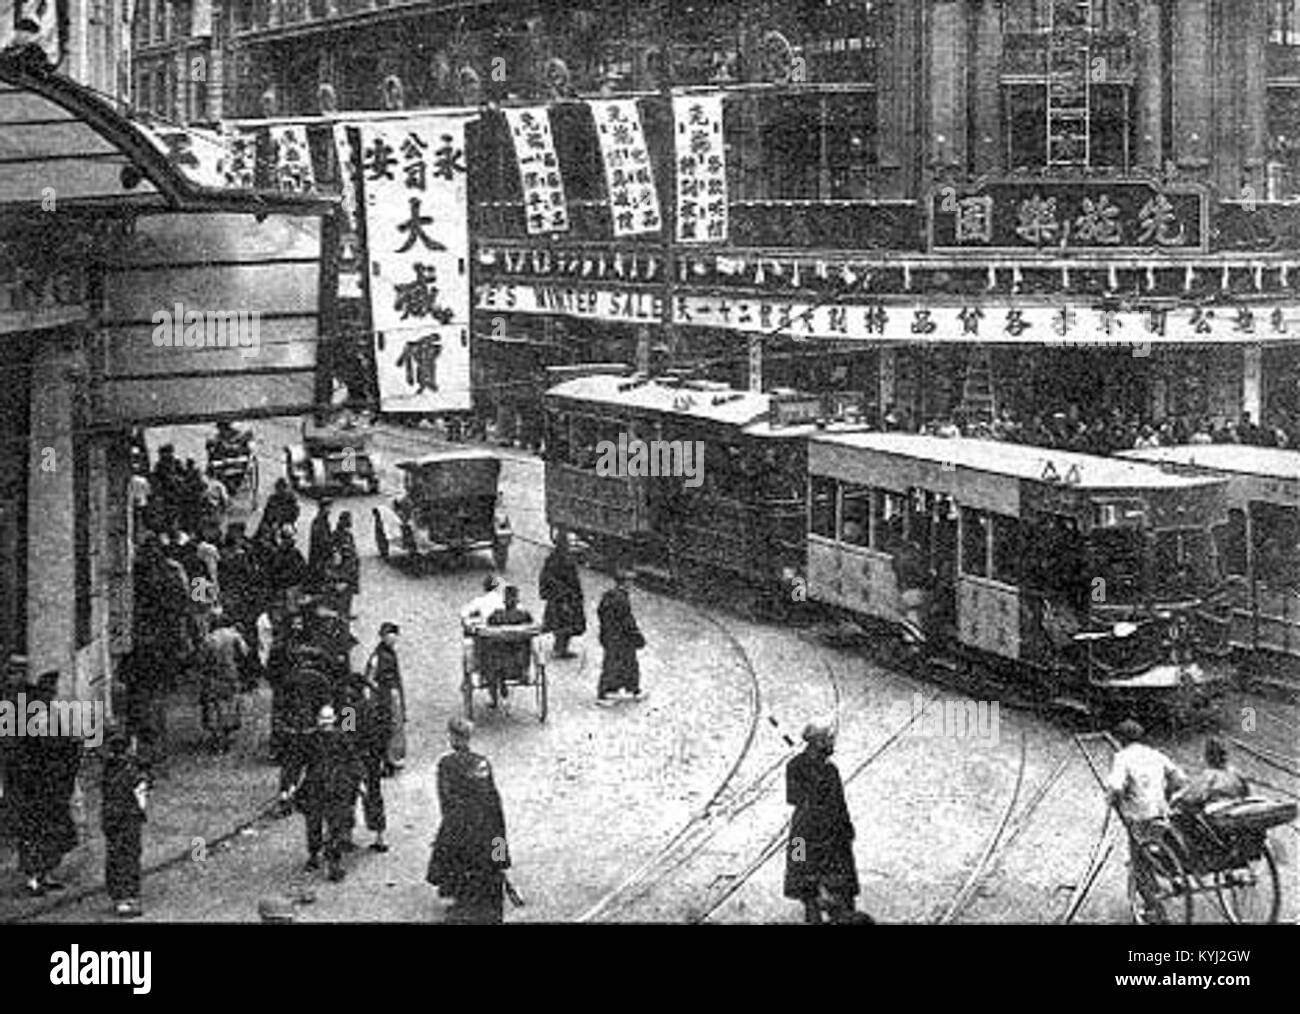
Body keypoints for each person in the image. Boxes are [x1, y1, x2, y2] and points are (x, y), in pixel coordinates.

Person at [427, 717, 512, 924]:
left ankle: (456, 896)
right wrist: (500, 856)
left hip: (460, 825)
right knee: (491, 850)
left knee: (449, 850)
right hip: (487, 825)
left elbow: (445, 800)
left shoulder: (447, 763)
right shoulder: (482, 762)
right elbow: (493, 799)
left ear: (453, 737)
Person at [1105, 719, 1189, 921]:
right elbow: (1180, 780)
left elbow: (1115, 788)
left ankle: (1154, 909)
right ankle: (1173, 877)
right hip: (1161, 815)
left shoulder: (1122, 757)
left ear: (1121, 740)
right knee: (1159, 848)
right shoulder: (1156, 754)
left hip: (1139, 818)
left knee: (1139, 862)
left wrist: (1112, 800)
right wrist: (1166, 796)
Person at [784, 722, 861, 924]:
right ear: (817, 742)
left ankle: (820, 916)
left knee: (803, 873)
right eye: (828, 740)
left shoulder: (798, 765)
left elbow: (793, 798)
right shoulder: (825, 769)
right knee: (830, 877)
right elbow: (837, 802)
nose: (832, 744)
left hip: (804, 831)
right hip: (821, 829)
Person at [9, 691, 81, 897]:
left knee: (52, 832)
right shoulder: (26, 732)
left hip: (51, 790)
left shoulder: (52, 726)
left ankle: (45, 873)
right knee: (34, 833)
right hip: (35, 791)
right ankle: (33, 877)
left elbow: (67, 749)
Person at [291, 704, 360, 883]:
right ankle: (333, 863)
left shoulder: (310, 739)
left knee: (314, 823)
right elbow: (353, 763)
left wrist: (289, 785)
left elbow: (297, 763)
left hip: (315, 786)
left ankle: (314, 856)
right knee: (334, 825)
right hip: (336, 787)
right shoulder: (343, 737)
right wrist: (355, 783)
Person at [101, 728, 148, 918]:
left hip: (111, 817)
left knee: (114, 855)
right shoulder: (134, 772)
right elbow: (141, 796)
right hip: (129, 818)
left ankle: (117, 896)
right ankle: (126, 898)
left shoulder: (109, 768)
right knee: (129, 856)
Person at [197, 611, 249, 753]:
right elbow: (245, 653)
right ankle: (226, 737)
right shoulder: (235, 636)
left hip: (213, 676)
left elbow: (201, 659)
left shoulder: (209, 638)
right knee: (230, 705)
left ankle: (216, 738)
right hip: (231, 675)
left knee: (213, 706)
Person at [597, 570, 646, 703]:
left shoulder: (609, 595)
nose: (632, 585)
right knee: (620, 665)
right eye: (630, 582)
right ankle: (607, 694)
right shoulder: (621, 599)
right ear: (625, 583)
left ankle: (632, 690)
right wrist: (637, 637)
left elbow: (601, 614)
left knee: (621, 664)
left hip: (611, 637)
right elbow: (628, 622)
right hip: (621, 639)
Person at [364, 622, 406, 776]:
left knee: (393, 726)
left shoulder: (386, 653)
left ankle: (392, 759)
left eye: (394, 636)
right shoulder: (378, 656)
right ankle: (390, 760)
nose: (392, 639)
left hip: (390, 693)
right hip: (384, 695)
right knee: (390, 727)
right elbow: (370, 677)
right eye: (388, 636)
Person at [482, 586, 535, 709]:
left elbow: (487, 628)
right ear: (517, 601)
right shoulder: (524, 615)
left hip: (499, 660)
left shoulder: (496, 615)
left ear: (504, 601)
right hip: (519, 658)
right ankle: (525, 673)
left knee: (487, 649)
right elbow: (532, 630)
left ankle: (493, 695)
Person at [539, 531, 586, 659]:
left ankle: (562, 648)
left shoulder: (565, 557)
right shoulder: (556, 559)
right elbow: (548, 577)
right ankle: (559, 649)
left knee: (567, 623)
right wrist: (563, 592)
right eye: (570, 543)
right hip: (562, 597)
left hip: (568, 596)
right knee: (563, 623)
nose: (573, 545)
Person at [1173, 737, 1249, 812]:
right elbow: (1246, 794)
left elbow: (1194, 797)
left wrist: (1179, 798)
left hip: (1219, 815)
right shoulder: (1237, 774)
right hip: (1237, 810)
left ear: (1208, 756)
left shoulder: (1210, 775)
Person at [307, 499, 334, 585]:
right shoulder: (319, 521)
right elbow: (322, 540)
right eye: (329, 507)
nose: (330, 510)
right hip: (320, 555)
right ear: (324, 508)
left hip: (320, 554)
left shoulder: (322, 520)